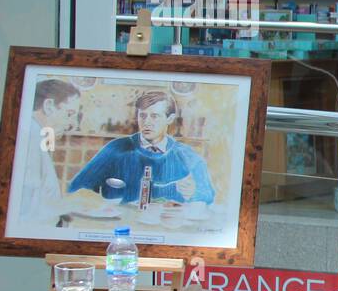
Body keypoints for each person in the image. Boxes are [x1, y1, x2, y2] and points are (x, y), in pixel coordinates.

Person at [67, 90, 215, 206]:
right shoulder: (116, 149)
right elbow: (77, 188)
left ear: (169, 119)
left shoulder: (185, 155)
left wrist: (194, 192)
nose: (147, 122)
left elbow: (208, 194)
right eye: (142, 116)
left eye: (155, 116)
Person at [19, 78, 81, 220]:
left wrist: (69, 206)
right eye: (69, 114)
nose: (71, 125)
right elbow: (26, 212)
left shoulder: (35, 134)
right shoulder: (30, 138)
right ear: (48, 106)